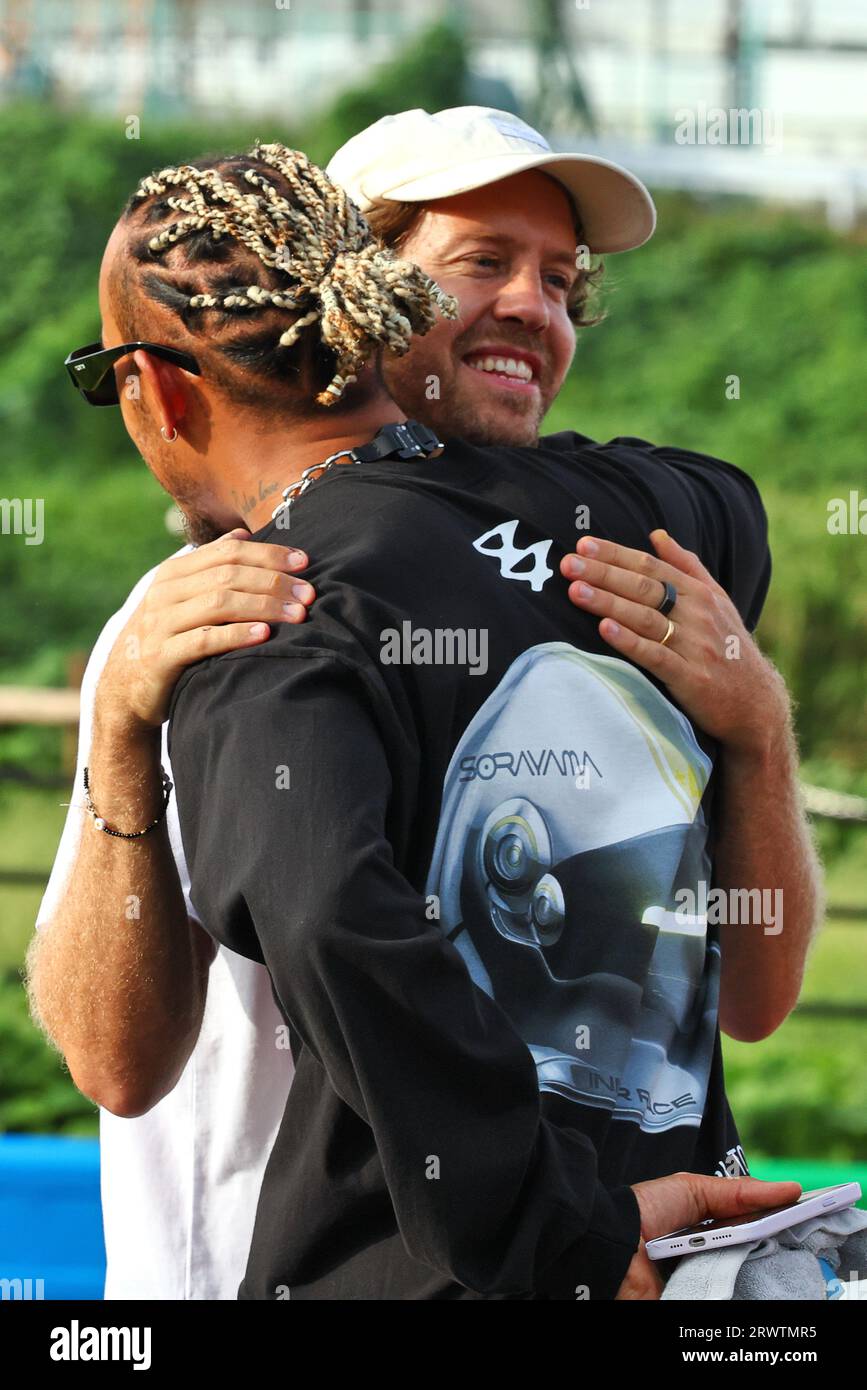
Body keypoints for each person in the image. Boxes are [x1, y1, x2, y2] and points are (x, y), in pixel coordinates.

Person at [28, 110, 821, 1299]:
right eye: (479, 263)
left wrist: (757, 724)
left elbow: (749, 994)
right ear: (353, 297)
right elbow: (121, 1056)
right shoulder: (197, 618)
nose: (531, 308)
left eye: (561, 279)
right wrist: (122, 743)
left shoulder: (603, 567)